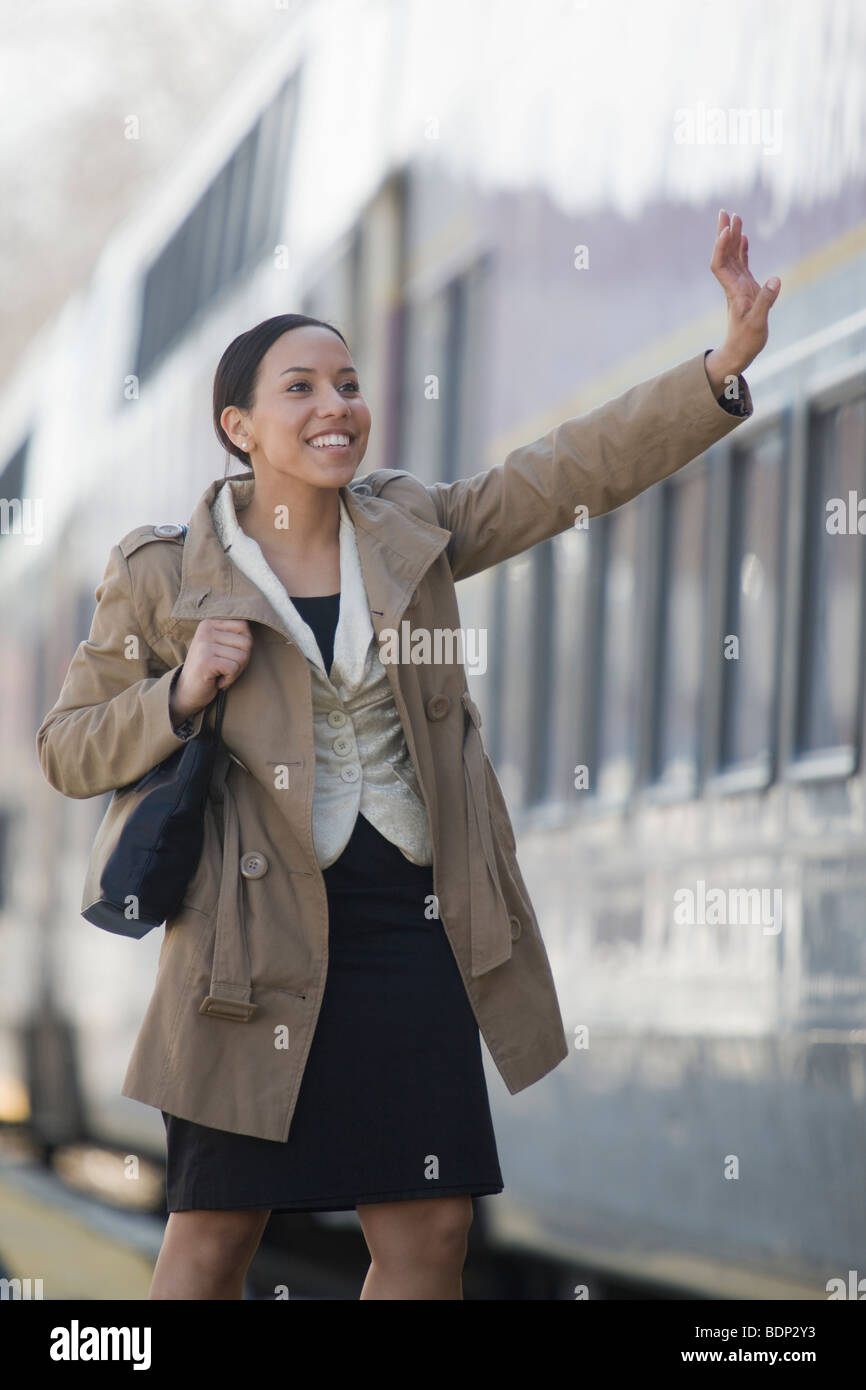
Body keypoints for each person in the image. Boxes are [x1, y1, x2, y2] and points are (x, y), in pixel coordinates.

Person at [36, 210, 778, 1300]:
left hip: (409, 919)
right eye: (301, 388)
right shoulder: (160, 572)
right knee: (213, 1236)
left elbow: (562, 472)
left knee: (429, 1229)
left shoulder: (407, 527)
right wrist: (181, 689)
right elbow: (67, 748)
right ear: (238, 426)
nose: (336, 405)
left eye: (345, 383)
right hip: (246, 941)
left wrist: (717, 368)